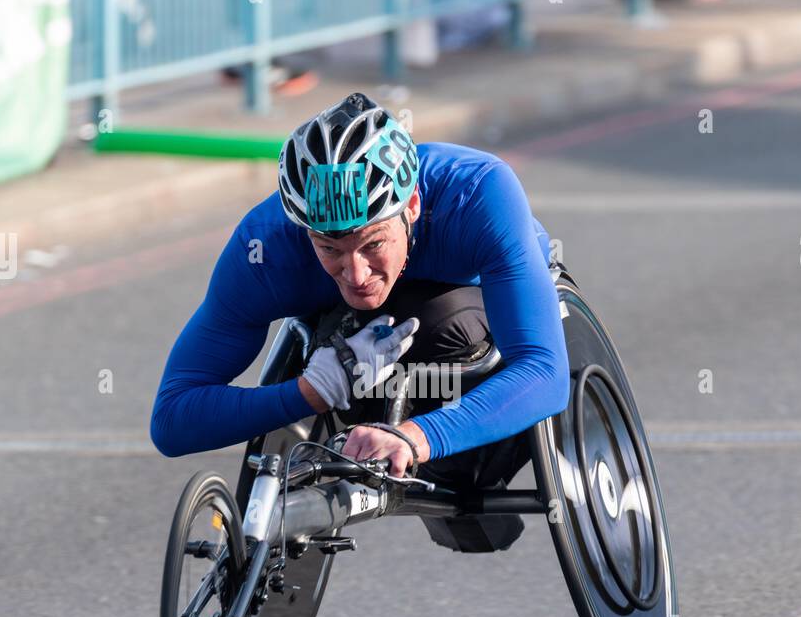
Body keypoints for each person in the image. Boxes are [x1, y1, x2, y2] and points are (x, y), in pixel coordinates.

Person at [150, 92, 570, 488]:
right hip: (353, 339)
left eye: (372, 244)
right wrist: (309, 392)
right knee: (322, 343)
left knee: (447, 323)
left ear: (412, 206)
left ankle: (459, 471)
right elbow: (171, 421)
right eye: (329, 247)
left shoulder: (478, 192)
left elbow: (544, 371)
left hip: (476, 316)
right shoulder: (264, 247)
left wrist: (416, 436)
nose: (355, 272)